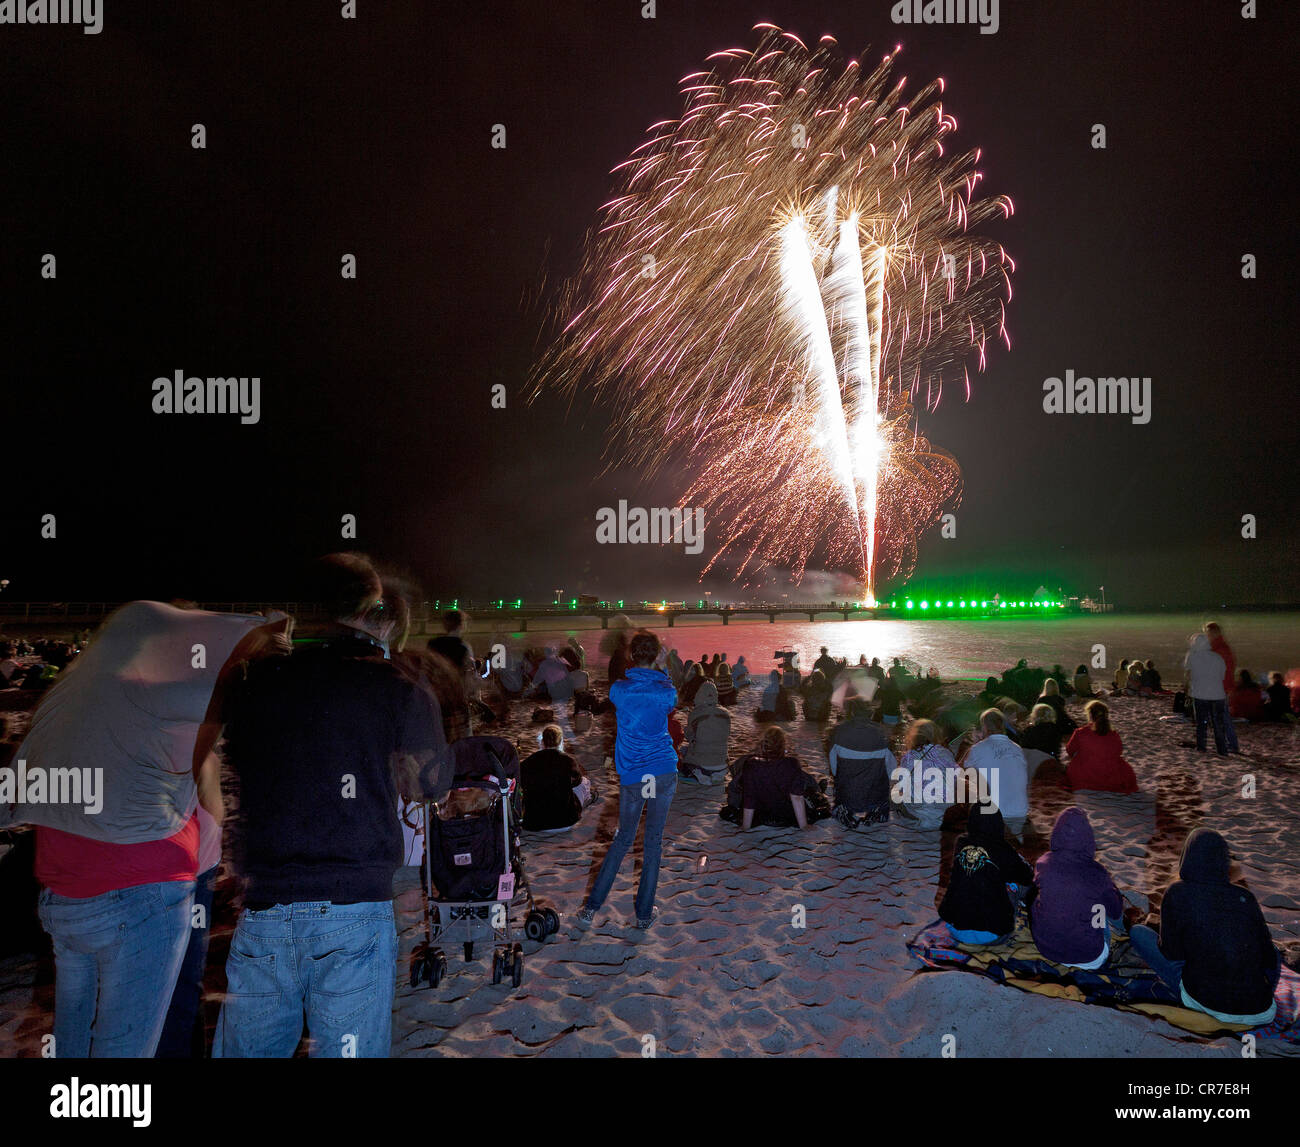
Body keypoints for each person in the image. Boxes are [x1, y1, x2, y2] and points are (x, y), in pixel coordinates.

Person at [7, 601, 273, 1057]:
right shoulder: (161, 696)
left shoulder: (68, 696)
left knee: (76, 1033)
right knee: (125, 1045)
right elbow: (251, 669)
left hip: (65, 895)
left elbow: (20, 787)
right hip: (142, 892)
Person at [213, 554, 450, 1058]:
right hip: (352, 900)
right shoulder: (397, 683)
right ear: (370, 606)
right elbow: (431, 784)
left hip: (264, 902)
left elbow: (236, 758)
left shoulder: (254, 678)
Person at [1128, 829, 1281, 1024]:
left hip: (1203, 1003)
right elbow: (1267, 958)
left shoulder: (1177, 893)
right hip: (1261, 1011)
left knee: (1138, 933)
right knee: (1273, 951)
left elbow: (1171, 954)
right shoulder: (1245, 898)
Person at [578, 631, 677, 930]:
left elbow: (627, 687)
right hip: (662, 769)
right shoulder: (665, 689)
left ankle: (589, 910)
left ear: (633, 656)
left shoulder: (619, 690)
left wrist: (649, 665)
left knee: (622, 840)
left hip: (635, 775)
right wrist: (663, 666)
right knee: (653, 843)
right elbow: (670, 697)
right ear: (657, 654)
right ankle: (644, 914)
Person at [1030, 807, 1124, 969]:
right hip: (1090, 956)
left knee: (1043, 898)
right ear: (1088, 838)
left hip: (1047, 949)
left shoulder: (1043, 862)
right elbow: (1115, 911)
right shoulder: (1096, 872)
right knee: (1101, 907)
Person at [939, 801, 1034, 944]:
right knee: (1017, 883)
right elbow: (1028, 876)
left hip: (954, 929)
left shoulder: (961, 842)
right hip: (992, 936)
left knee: (975, 879)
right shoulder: (1002, 849)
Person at [731, 726, 820, 830]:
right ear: (783, 744)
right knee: (808, 786)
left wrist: (745, 826)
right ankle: (819, 788)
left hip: (761, 817)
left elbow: (749, 797)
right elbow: (796, 796)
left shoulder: (751, 764)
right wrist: (803, 825)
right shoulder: (792, 763)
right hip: (786, 817)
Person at [825, 699, 896, 822]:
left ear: (851, 713)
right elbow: (891, 769)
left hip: (848, 794)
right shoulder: (882, 732)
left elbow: (834, 768)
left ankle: (845, 809)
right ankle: (877, 811)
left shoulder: (838, 732)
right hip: (874, 795)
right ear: (870, 714)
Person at [964, 709, 1029, 838]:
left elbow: (960, 771)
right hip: (1021, 812)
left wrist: (974, 744)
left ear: (984, 727)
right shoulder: (1017, 748)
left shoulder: (978, 749)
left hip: (994, 816)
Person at [894, 719, 962, 829]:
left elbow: (902, 786)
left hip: (917, 809)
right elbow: (956, 776)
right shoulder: (945, 753)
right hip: (944, 807)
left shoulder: (909, 756)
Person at [520, 725, 589, 832]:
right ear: (560, 741)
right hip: (566, 822)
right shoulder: (568, 760)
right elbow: (577, 781)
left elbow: (520, 782)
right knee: (584, 782)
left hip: (535, 823)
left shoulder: (529, 761)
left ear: (543, 741)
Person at [1063, 700, 1138, 793]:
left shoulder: (1080, 732)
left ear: (1090, 715)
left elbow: (1069, 750)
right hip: (1110, 773)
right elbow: (1119, 751)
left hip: (1085, 773)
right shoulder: (1113, 734)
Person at [678, 679, 731, 784]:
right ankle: (718, 773)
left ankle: (698, 772)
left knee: (683, 751)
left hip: (702, 762)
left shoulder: (695, 713)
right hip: (722, 761)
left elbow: (689, 737)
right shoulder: (726, 713)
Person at [1184, 633, 1229, 755]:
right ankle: (1222, 749)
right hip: (1217, 694)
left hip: (1200, 694)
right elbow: (1222, 675)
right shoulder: (1217, 657)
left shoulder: (1192, 657)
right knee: (1218, 724)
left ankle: (1201, 747)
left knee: (1201, 722)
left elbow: (1188, 675)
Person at [1203, 622, 1239, 752]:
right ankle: (1227, 743)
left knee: (1222, 717)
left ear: (1214, 633)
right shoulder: (1220, 647)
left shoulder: (1219, 648)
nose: (1207, 635)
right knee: (1221, 717)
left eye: (1208, 633)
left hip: (1220, 687)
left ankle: (1231, 744)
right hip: (1221, 686)